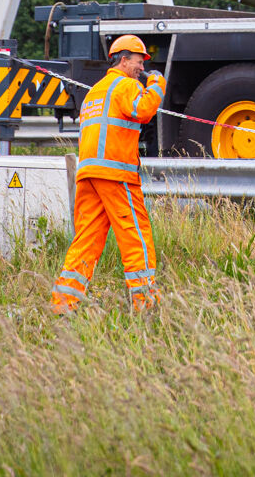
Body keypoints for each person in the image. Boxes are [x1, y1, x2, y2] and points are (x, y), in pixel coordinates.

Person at [50, 35, 167, 313]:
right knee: (135, 235)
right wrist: (158, 85)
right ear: (124, 60)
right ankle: (145, 303)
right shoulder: (125, 85)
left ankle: (64, 303)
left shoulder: (95, 91)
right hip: (116, 174)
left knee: (87, 238)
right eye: (139, 62)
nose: (142, 69)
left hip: (89, 174)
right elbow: (143, 110)